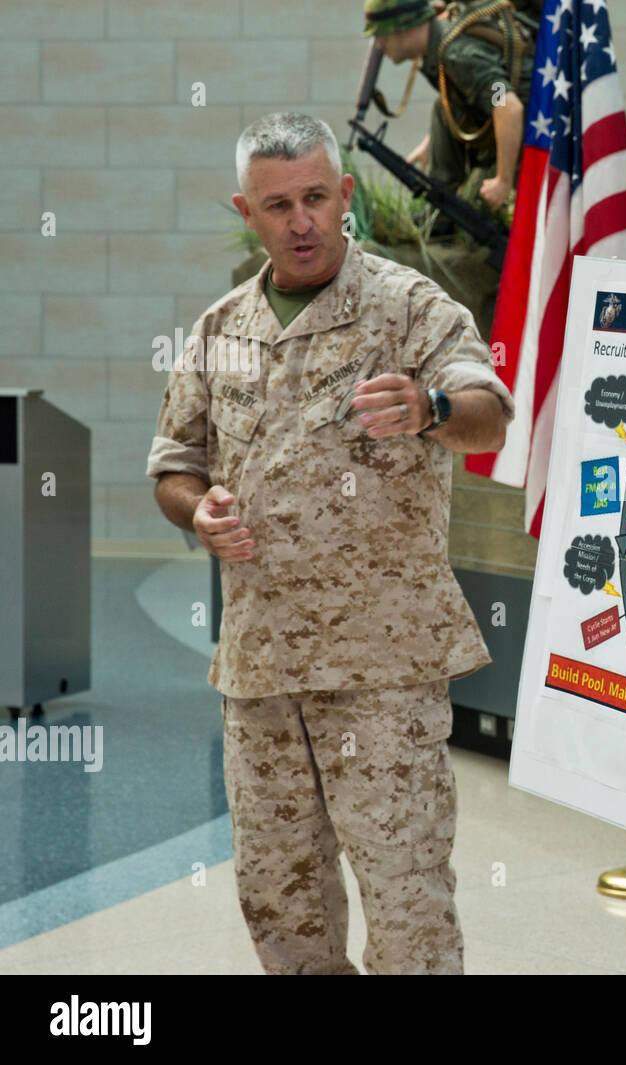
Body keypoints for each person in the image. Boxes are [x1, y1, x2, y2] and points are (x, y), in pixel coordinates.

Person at [146, 112, 514, 974]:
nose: (301, 220)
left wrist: (433, 409)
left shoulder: (408, 306)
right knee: (282, 904)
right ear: (248, 210)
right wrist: (196, 511)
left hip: (381, 669)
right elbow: (173, 465)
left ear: (345, 194)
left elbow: (490, 409)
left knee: (406, 902)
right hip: (261, 669)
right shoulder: (218, 329)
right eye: (278, 205)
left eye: (316, 197)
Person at [364, 0, 532, 211]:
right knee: (441, 106)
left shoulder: (457, 54)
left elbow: (506, 105)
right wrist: (432, 143)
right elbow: (456, 100)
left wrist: (503, 182)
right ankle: (441, 214)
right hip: (517, 133)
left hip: (536, 140)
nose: (379, 44)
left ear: (404, 27)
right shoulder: (440, 45)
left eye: (382, 35)